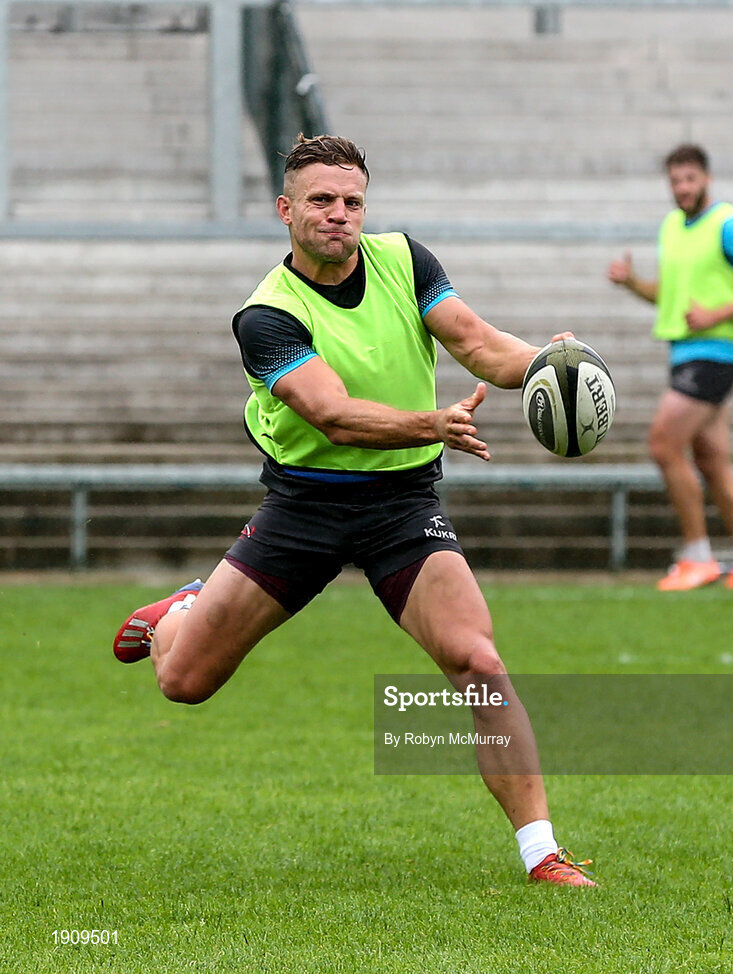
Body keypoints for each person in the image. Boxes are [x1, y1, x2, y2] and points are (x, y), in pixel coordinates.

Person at [113, 134, 595, 887]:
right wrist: (430, 425)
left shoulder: (405, 261)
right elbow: (332, 415)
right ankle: (182, 610)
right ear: (285, 211)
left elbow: (476, 343)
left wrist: (544, 363)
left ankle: (543, 855)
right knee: (184, 682)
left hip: (401, 505)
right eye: (321, 201)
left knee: (479, 663)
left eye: (352, 202)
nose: (339, 215)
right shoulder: (265, 316)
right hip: (304, 505)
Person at [608, 143, 733, 591]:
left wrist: (715, 315)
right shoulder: (671, 226)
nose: (682, 188)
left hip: (717, 353)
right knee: (711, 459)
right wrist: (631, 283)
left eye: (689, 179)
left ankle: (698, 556)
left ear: (706, 178)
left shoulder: (731, 226)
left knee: (663, 445)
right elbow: (666, 296)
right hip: (686, 353)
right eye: (675, 181)